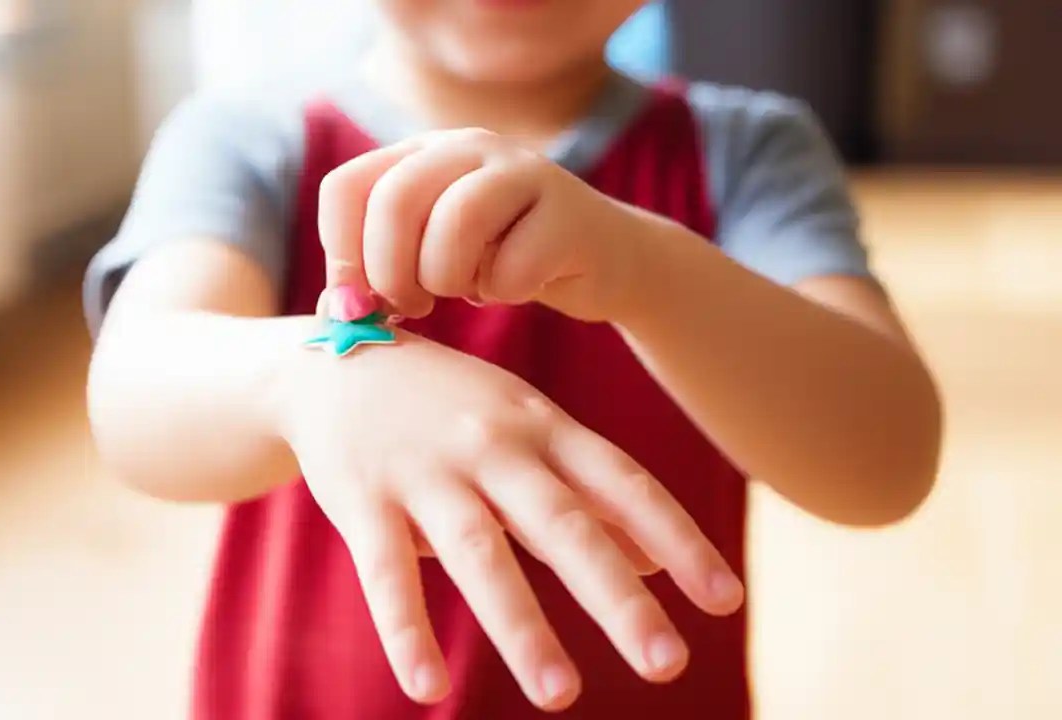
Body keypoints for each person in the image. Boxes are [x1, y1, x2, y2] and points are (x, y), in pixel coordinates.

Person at [83, 1, 943, 717]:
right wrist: (302, 379)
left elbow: (885, 459)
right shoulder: (243, 138)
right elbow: (135, 392)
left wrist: (645, 267)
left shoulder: (750, 152)